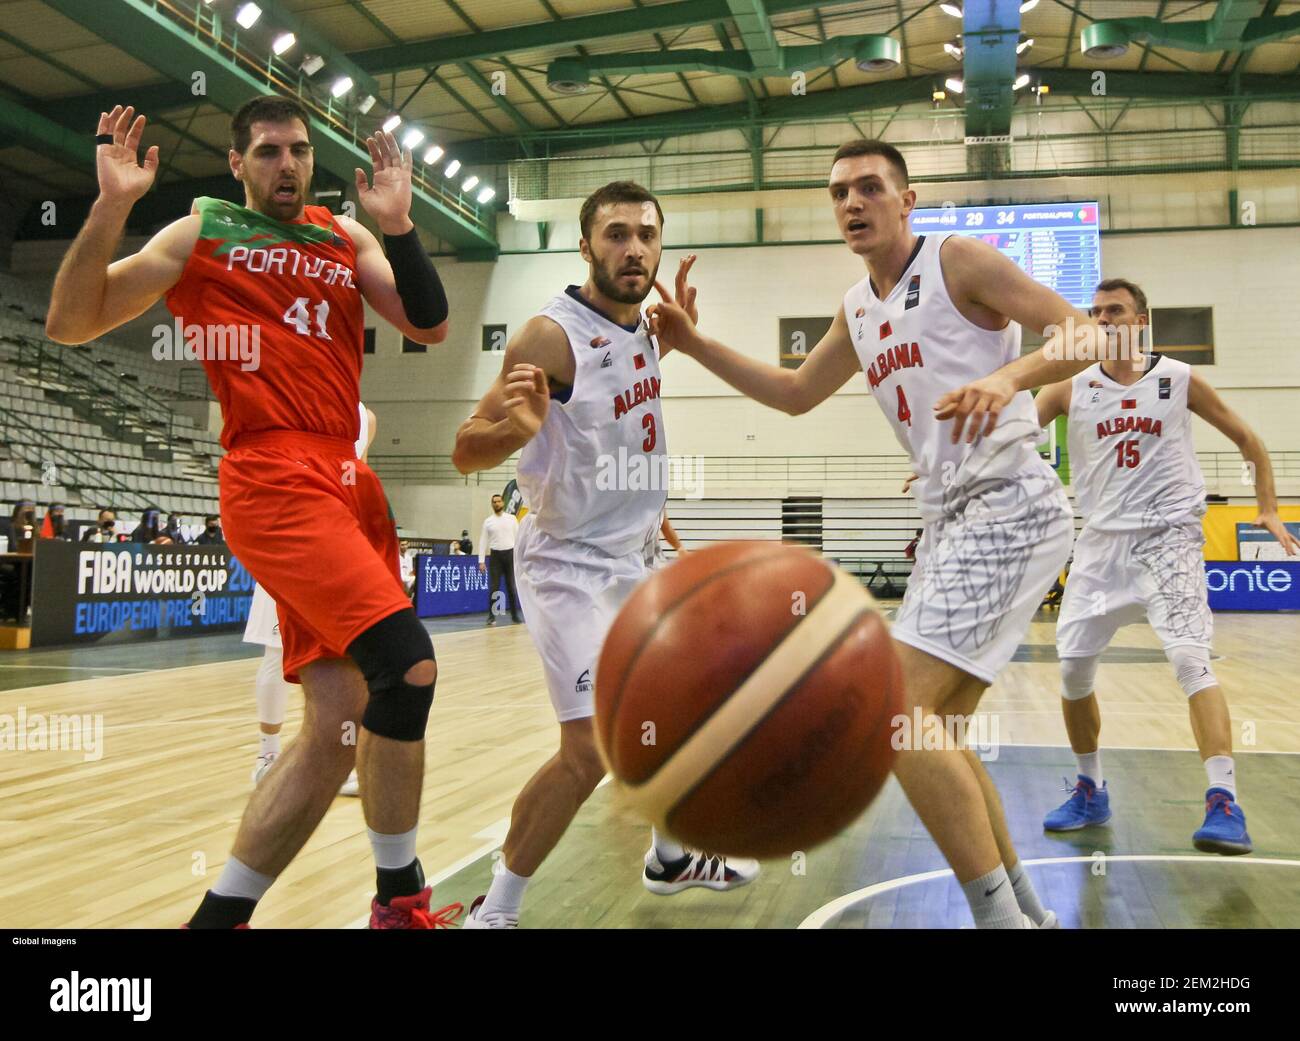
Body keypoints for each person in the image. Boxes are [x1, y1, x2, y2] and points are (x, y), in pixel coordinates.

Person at [646, 140, 1118, 928]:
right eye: (838, 193)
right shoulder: (857, 306)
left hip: (1011, 503)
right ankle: (1029, 915)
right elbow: (796, 392)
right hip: (950, 519)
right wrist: (694, 345)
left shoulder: (959, 259)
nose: (852, 203)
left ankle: (999, 921)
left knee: (897, 717)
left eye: (870, 187)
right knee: (940, 733)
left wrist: (1008, 377)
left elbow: (1086, 334)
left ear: (908, 200)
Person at [46, 94, 452, 928]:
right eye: (267, 152)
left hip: (349, 481)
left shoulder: (347, 235)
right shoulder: (203, 232)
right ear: (237, 165)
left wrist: (402, 224)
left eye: (298, 150)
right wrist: (112, 207)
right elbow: (70, 321)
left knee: (338, 725)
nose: (287, 165)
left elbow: (431, 324)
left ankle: (216, 921)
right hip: (274, 476)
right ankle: (398, 900)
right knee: (409, 665)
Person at [452, 180, 757, 928]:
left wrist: (678, 340)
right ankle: (498, 910)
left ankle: (670, 856)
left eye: (646, 234)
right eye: (616, 234)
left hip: (634, 557)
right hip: (570, 565)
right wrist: (517, 427)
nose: (634, 248)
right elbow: (464, 449)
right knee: (588, 754)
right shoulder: (547, 336)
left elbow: (612, 410)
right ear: (585, 245)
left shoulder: (647, 327)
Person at [1036, 277, 1298, 853]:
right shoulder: (1068, 388)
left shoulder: (1178, 379)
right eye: (1096, 312)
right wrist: (947, 471)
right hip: (1102, 544)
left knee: (1189, 661)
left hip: (1169, 540)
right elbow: (1007, 439)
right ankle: (1090, 787)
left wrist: (1270, 509)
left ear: (1141, 320)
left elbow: (1248, 439)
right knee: (1073, 670)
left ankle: (1223, 800)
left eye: (1116, 312)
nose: (1105, 321)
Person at [248, 403, 378, 800]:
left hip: (338, 543)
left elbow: (359, 478)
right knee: (276, 650)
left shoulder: (365, 417)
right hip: (288, 535)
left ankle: (342, 759)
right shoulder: (292, 401)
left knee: (346, 658)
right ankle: (267, 757)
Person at [477, 494, 520, 625]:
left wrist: (519, 558)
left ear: (503, 503)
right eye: (494, 502)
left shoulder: (512, 519)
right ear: (492, 504)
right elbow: (483, 541)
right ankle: (491, 616)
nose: (497, 504)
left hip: (510, 554)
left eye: (499, 501)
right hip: (495, 556)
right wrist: (481, 561)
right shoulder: (488, 521)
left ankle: (515, 616)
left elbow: (518, 538)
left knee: (512, 587)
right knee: (494, 588)